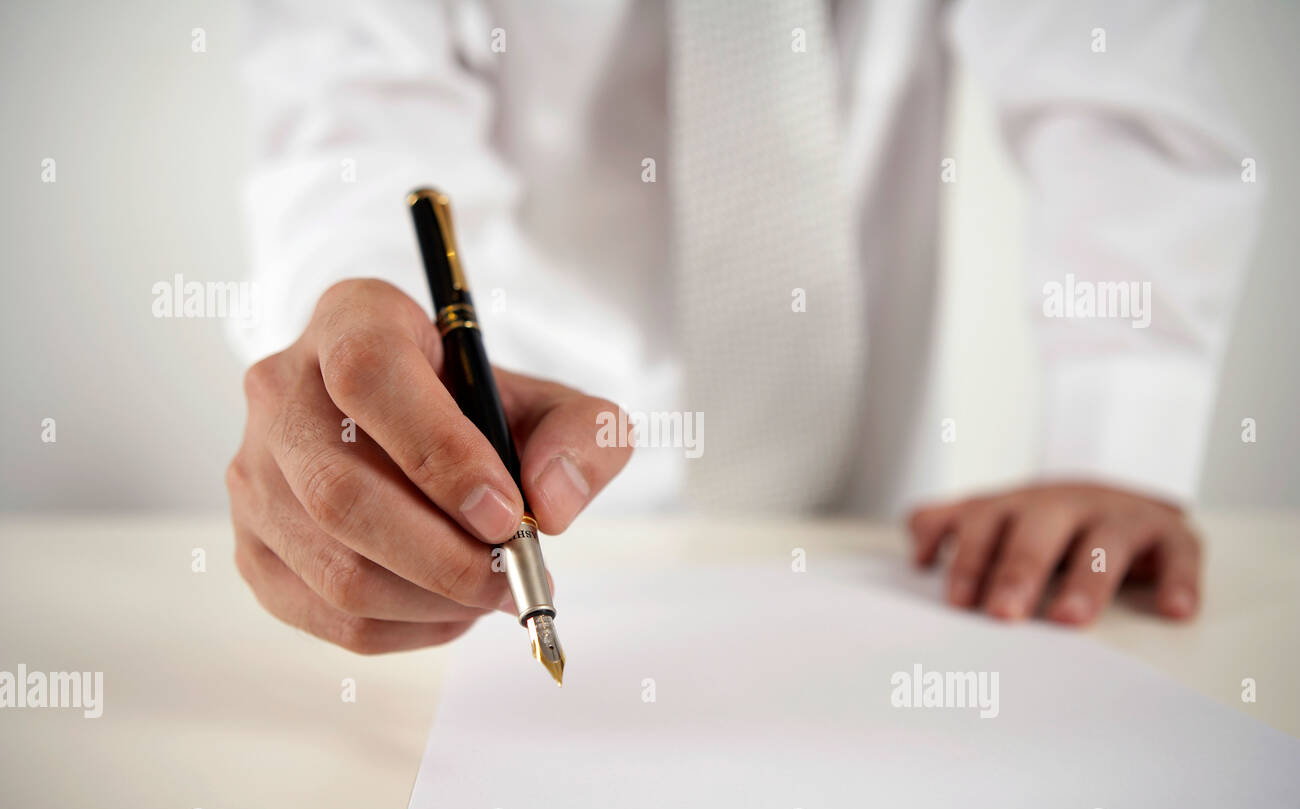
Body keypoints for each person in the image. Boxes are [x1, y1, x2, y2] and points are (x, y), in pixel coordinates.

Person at [225, 0, 1259, 653]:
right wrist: (356, 362)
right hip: (512, 475)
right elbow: (354, 118)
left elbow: (1113, 77)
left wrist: (1120, 435)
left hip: (872, 544)